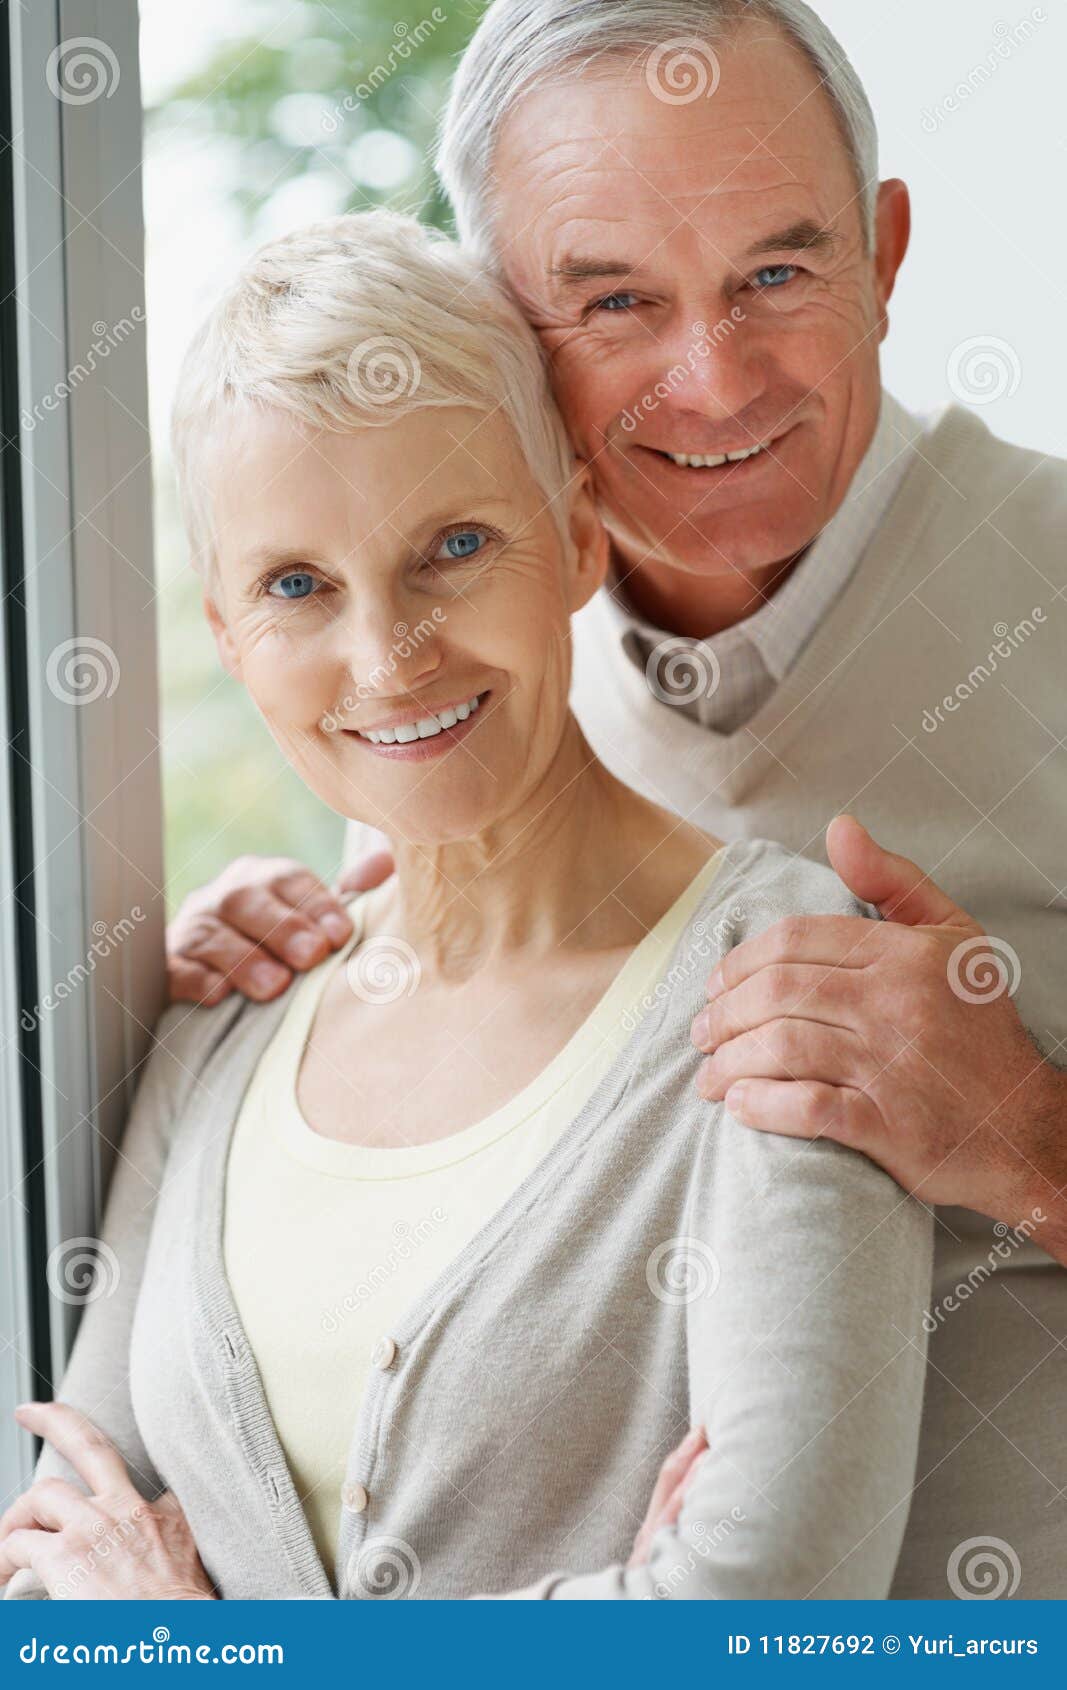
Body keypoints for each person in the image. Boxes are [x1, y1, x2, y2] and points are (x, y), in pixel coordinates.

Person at [2, 210, 933, 1601]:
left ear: (569, 536)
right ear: (225, 632)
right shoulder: (227, 1015)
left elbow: (763, 1610)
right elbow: (51, 1564)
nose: (386, 658)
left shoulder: (783, 975)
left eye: (450, 547)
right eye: (297, 585)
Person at [169, 0, 1067, 1276]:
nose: (710, 380)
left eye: (775, 273)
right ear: (501, 334)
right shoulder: (450, 680)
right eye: (616, 302)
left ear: (882, 259)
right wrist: (266, 989)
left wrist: (1029, 1134)